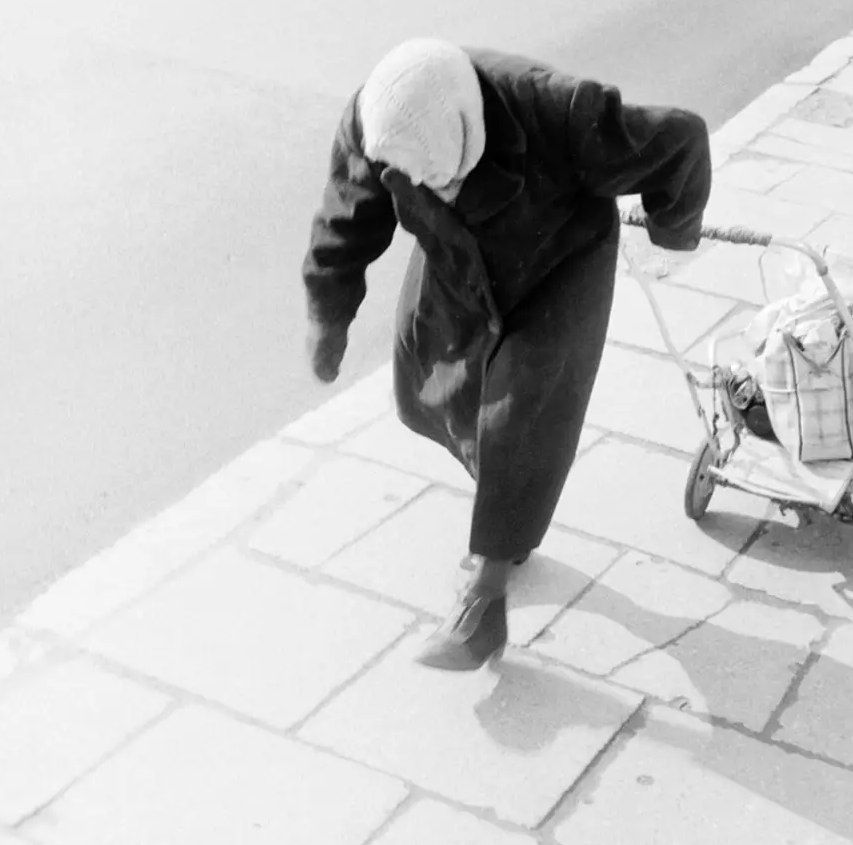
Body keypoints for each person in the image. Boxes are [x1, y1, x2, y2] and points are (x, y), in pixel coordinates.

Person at [301, 39, 711, 670]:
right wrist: (329, 314)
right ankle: (509, 515)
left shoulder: (563, 113)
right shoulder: (377, 119)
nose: (437, 185)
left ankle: (482, 604)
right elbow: (346, 215)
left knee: (522, 416)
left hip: (559, 267)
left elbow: (681, 139)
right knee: (430, 391)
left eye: (449, 175)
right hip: (458, 262)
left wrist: (671, 229)